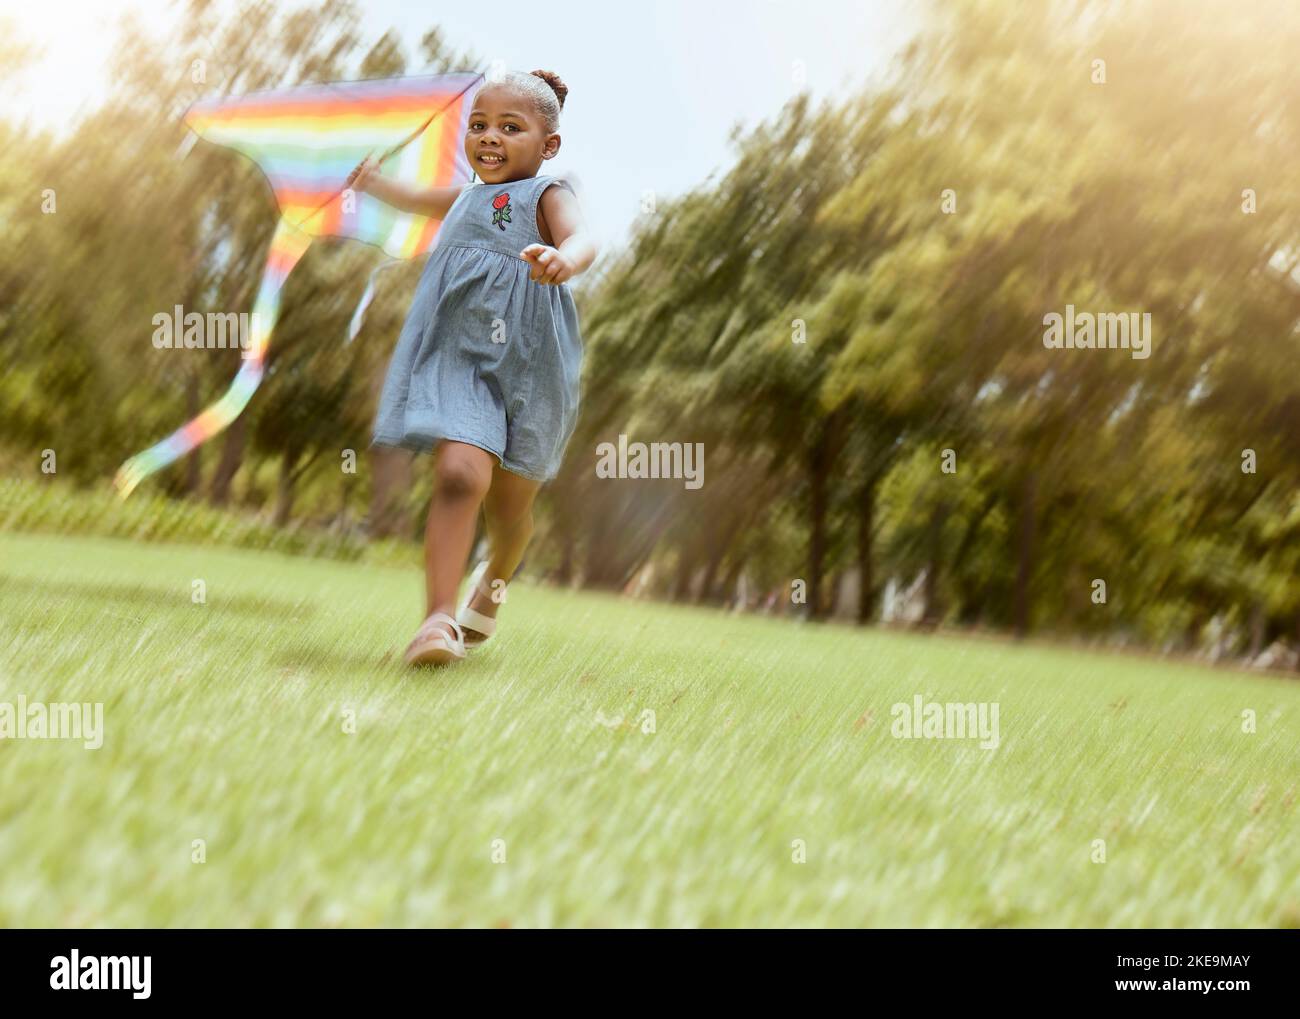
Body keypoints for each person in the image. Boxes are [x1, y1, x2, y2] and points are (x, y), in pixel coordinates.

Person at [348, 69, 598, 667]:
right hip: (460, 357)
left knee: (510, 510)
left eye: (511, 128)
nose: (490, 137)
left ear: (548, 145)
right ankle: (437, 621)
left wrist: (564, 260)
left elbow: (584, 238)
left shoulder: (546, 194)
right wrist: (376, 183)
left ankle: (494, 580)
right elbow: (412, 200)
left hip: (531, 368)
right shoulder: (464, 197)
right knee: (460, 475)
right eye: (480, 125)